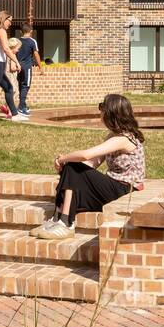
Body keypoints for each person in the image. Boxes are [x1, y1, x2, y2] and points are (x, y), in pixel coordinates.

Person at [33, 94, 147, 241]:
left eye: (103, 109)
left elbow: (86, 155)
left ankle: (66, 223)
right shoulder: (113, 137)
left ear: (112, 113)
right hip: (115, 187)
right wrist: (65, 167)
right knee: (72, 167)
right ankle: (58, 219)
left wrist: (62, 159)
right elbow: (91, 163)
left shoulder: (124, 139)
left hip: (125, 190)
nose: (100, 113)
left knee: (73, 164)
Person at [14, 24, 42, 116]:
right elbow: (36, 54)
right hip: (27, 67)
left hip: (19, 67)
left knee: (21, 86)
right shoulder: (32, 41)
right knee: (26, 86)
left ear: (20, 32)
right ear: (31, 31)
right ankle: (21, 107)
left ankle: (24, 105)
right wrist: (40, 67)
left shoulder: (18, 41)